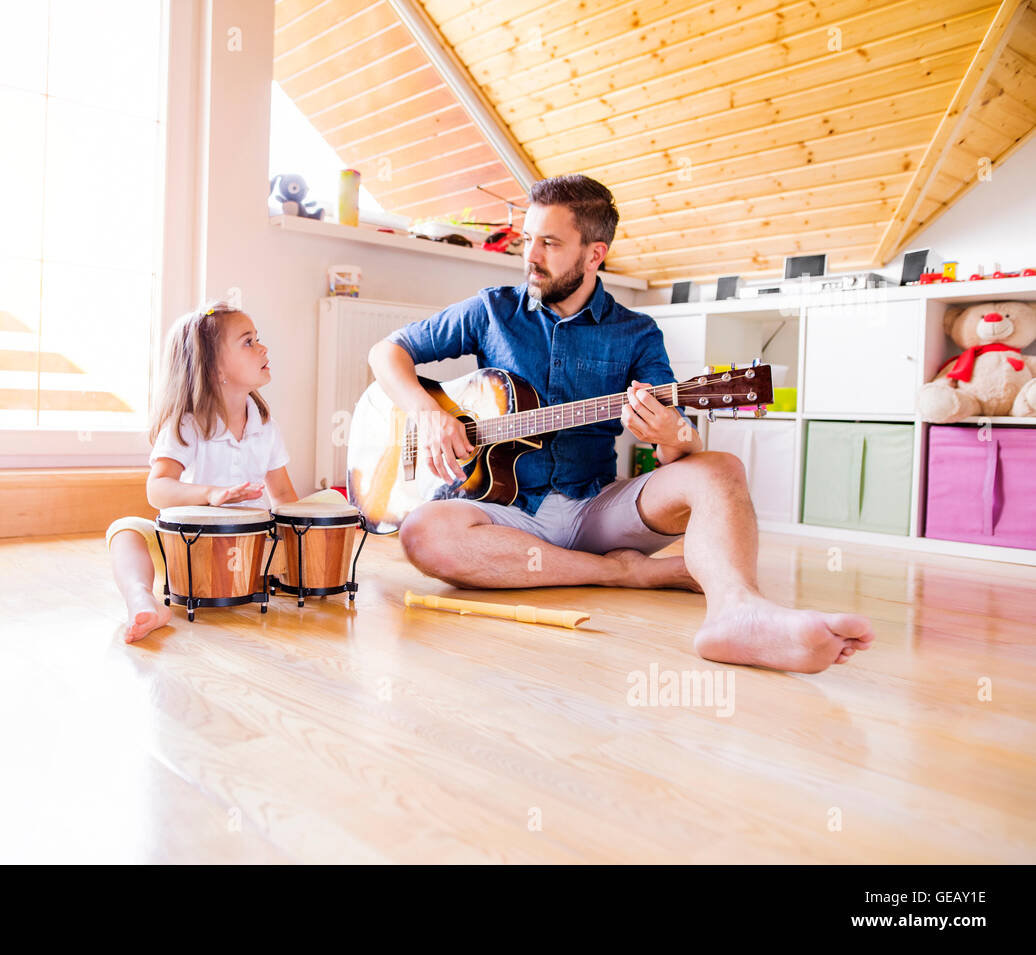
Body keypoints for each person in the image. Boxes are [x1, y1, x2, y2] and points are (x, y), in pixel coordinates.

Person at [367, 174, 875, 674]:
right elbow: (387, 351)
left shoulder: (636, 333)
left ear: (594, 254)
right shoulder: (491, 311)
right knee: (423, 534)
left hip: (596, 508)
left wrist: (669, 435)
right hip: (506, 513)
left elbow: (678, 449)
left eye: (549, 242)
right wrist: (426, 412)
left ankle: (738, 614)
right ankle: (625, 572)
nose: (531, 256)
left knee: (719, 468)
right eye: (528, 240)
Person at [107, 300, 298, 643]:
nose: (263, 348)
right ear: (214, 370)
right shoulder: (187, 424)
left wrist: (302, 545)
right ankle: (142, 599)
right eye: (248, 341)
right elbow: (158, 488)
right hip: (188, 556)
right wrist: (210, 494)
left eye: (258, 338)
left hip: (249, 554)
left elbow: (284, 496)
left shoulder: (264, 425)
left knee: (312, 514)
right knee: (126, 530)